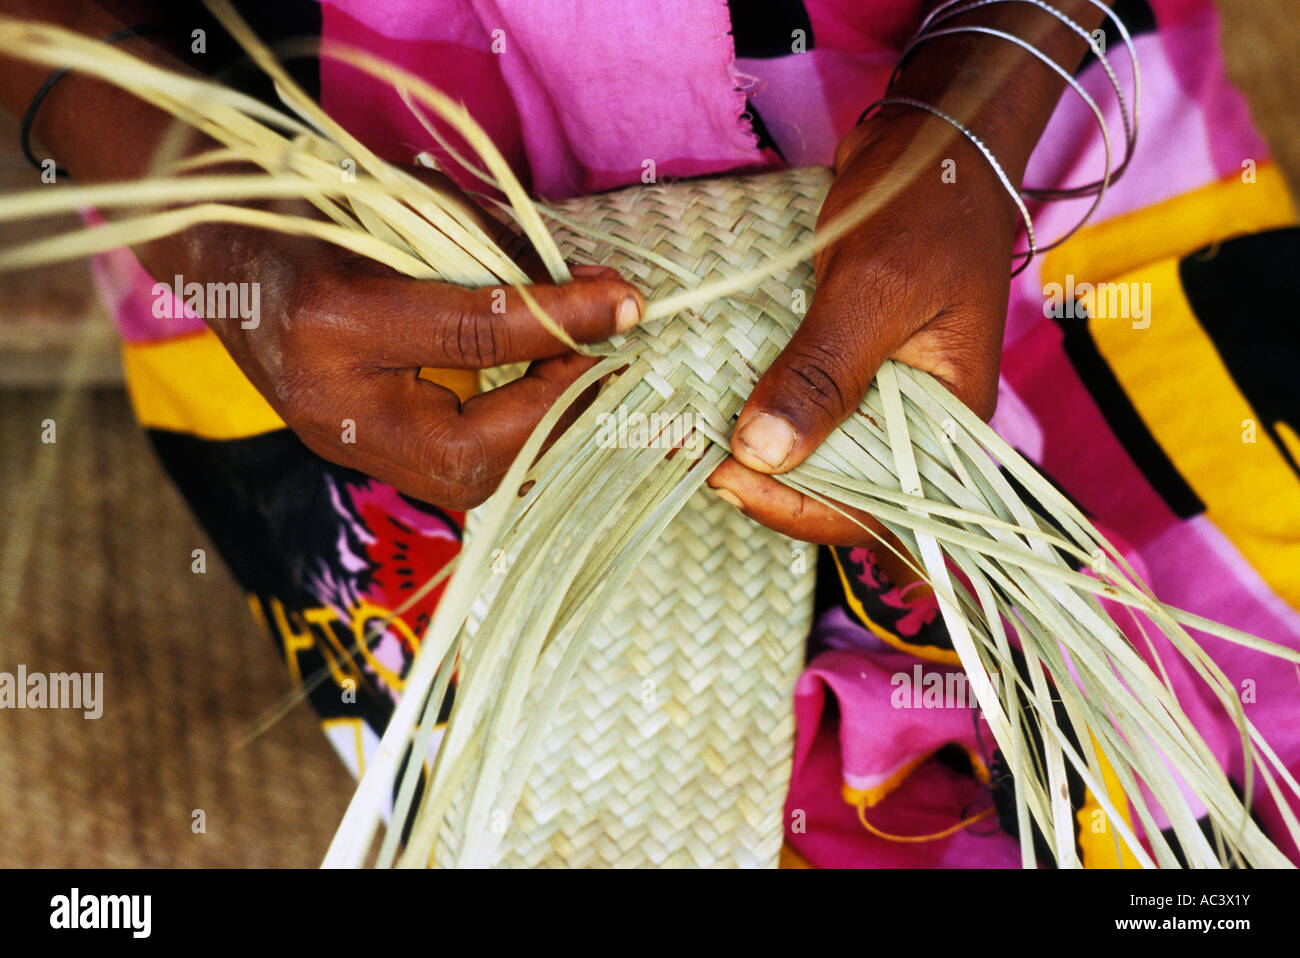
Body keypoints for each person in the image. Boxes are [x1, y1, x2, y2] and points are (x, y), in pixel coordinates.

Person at [2, 0, 1297, 867]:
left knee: (1240, 809)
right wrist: (225, 233)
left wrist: (969, 126)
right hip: (366, 287)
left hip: (1035, 187)